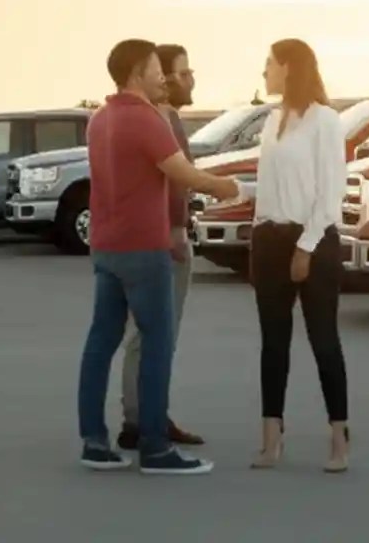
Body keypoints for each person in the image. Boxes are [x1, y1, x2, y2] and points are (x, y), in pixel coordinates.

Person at [77, 38, 239, 475]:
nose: (161, 75)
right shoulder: (146, 119)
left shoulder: (99, 119)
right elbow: (180, 172)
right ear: (135, 71)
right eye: (154, 67)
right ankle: (155, 448)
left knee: (101, 342)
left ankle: (94, 441)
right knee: (156, 345)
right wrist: (224, 187)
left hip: (106, 246)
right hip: (144, 250)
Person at [247, 38, 350, 473]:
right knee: (273, 344)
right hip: (268, 241)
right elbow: (270, 187)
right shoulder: (272, 121)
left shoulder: (325, 121)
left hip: (313, 242)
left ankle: (340, 439)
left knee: (323, 340)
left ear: (289, 67)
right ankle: (271, 441)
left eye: (269, 64)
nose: (264, 72)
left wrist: (305, 247)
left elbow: (331, 192)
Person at [116, 43, 205, 451]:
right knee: (157, 334)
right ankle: (146, 419)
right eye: (184, 73)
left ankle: (139, 416)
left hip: (138, 239)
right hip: (163, 240)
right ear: (165, 79)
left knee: (143, 332)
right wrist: (175, 228)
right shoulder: (163, 119)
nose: (191, 80)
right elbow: (175, 178)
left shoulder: (148, 117)